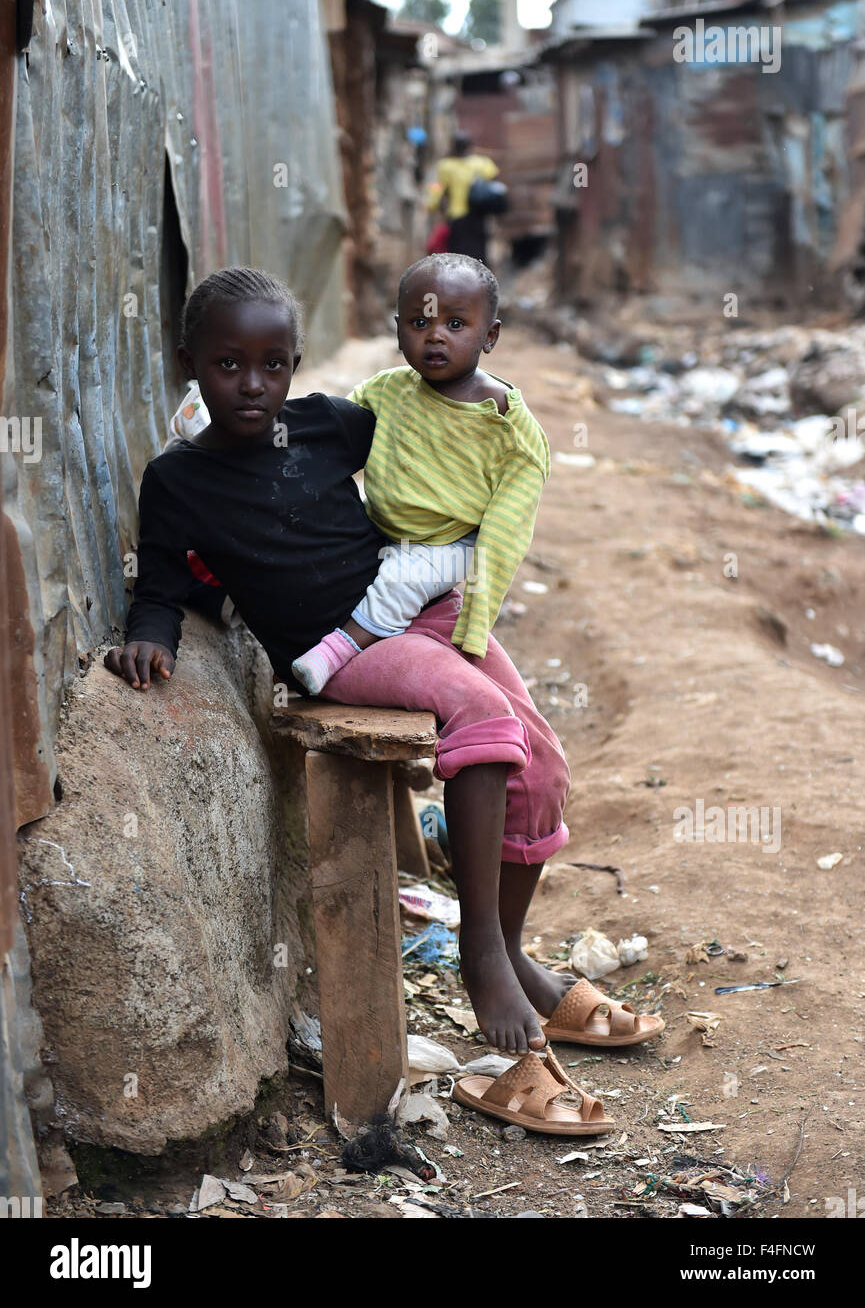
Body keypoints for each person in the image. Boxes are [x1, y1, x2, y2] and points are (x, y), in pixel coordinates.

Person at [105, 266, 662, 1058]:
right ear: (187, 360)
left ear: (296, 363)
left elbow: (427, 418)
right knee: (484, 716)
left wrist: (499, 419)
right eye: (228, 365)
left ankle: (510, 952)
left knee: (541, 764)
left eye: (273, 363)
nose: (253, 385)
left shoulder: (328, 426)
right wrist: (152, 635)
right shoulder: (178, 479)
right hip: (335, 647)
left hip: (419, 607)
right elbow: (160, 578)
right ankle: (481, 964)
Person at [291, 253, 547, 700]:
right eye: (418, 322)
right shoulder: (385, 390)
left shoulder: (504, 423)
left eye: (455, 324)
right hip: (384, 527)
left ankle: (337, 650)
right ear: (397, 330)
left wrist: (476, 624)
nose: (434, 336)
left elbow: (508, 530)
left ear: (490, 336)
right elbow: (332, 440)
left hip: (453, 543)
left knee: (404, 577)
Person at [427, 130, 498, 262]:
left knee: (458, 255)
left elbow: (437, 187)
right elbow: (493, 177)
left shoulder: (445, 165)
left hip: (457, 215)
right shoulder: (481, 162)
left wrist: (432, 204)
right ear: (469, 146)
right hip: (478, 215)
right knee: (478, 252)